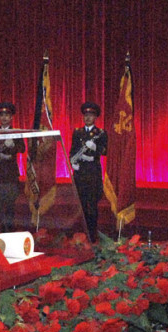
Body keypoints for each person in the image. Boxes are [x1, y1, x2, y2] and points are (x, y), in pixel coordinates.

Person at [0, 102, 25, 233]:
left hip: (10, 174)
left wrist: (13, 146)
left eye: (7, 115)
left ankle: (9, 232)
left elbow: (23, 148)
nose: (4, 118)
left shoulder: (16, 132)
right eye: (2, 115)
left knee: (10, 208)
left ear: (11, 117)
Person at [70, 101, 107, 243]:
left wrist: (95, 148)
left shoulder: (100, 133)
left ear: (95, 117)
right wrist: (73, 163)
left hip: (92, 174)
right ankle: (81, 234)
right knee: (81, 205)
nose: (87, 118)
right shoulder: (77, 132)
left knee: (92, 205)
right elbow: (72, 150)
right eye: (86, 115)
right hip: (80, 173)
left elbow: (106, 150)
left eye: (91, 115)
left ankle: (92, 235)